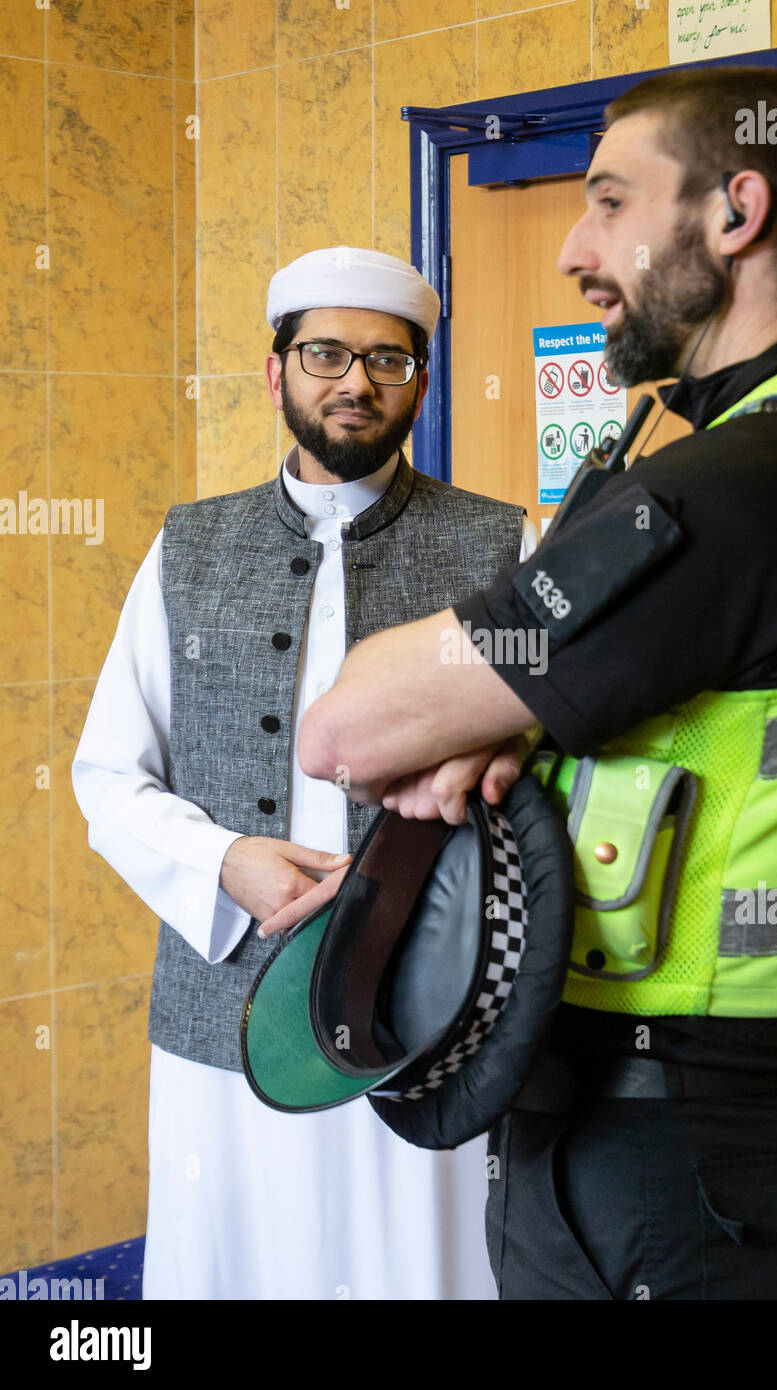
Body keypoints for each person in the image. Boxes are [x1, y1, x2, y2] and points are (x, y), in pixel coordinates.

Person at [291, 69, 777, 1300]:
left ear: (733, 211)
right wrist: (507, 727)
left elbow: (343, 725)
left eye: (605, 202)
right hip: (697, 1144)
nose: (572, 251)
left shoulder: (754, 485)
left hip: (660, 1165)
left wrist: (468, 707)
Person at [72, 246, 537, 1300]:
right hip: (223, 1001)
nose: (354, 381)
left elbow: (554, 765)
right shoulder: (187, 547)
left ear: (421, 379)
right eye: (324, 352)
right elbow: (108, 772)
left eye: (388, 358)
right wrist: (224, 860)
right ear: (275, 369)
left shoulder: (502, 542)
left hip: (431, 998)